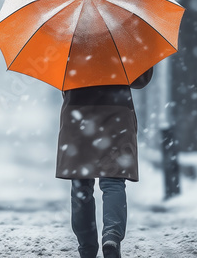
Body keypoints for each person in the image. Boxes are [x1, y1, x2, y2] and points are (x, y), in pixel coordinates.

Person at [57, 66, 155, 258]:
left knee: (81, 185)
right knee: (113, 182)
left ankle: (87, 248)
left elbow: (59, 78)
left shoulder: (68, 47)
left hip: (78, 115)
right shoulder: (125, 47)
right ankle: (112, 236)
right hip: (116, 113)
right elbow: (141, 80)